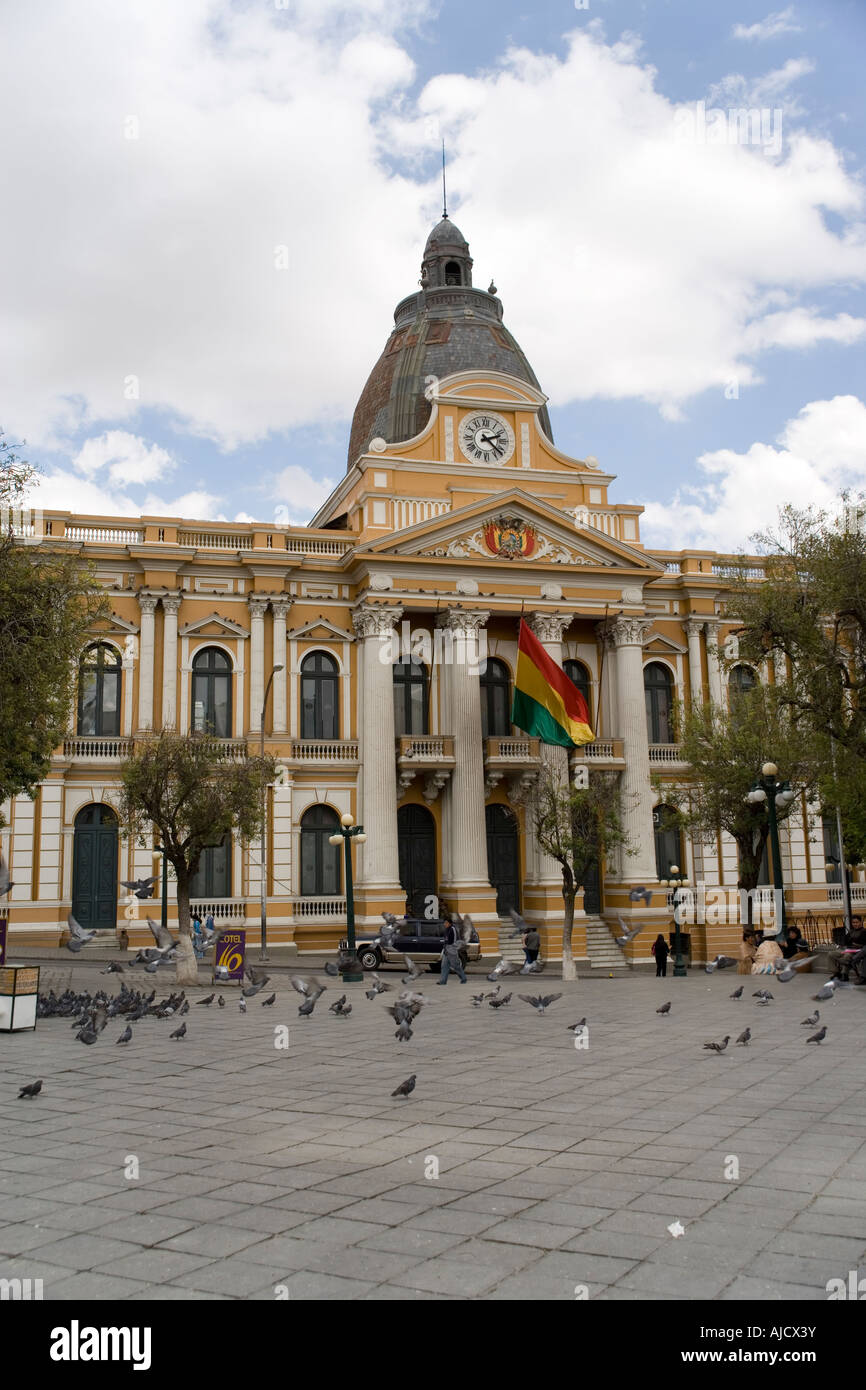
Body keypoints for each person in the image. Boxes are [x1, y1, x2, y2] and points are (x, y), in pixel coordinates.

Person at [438, 915, 467, 985]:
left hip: (452, 951)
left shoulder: (452, 929)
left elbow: (454, 941)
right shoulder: (446, 930)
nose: (444, 924)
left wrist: (452, 949)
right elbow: (445, 940)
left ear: (449, 923)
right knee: (444, 966)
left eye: (446, 923)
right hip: (446, 950)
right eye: (444, 923)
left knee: (456, 966)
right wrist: (444, 949)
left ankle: (463, 978)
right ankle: (443, 981)